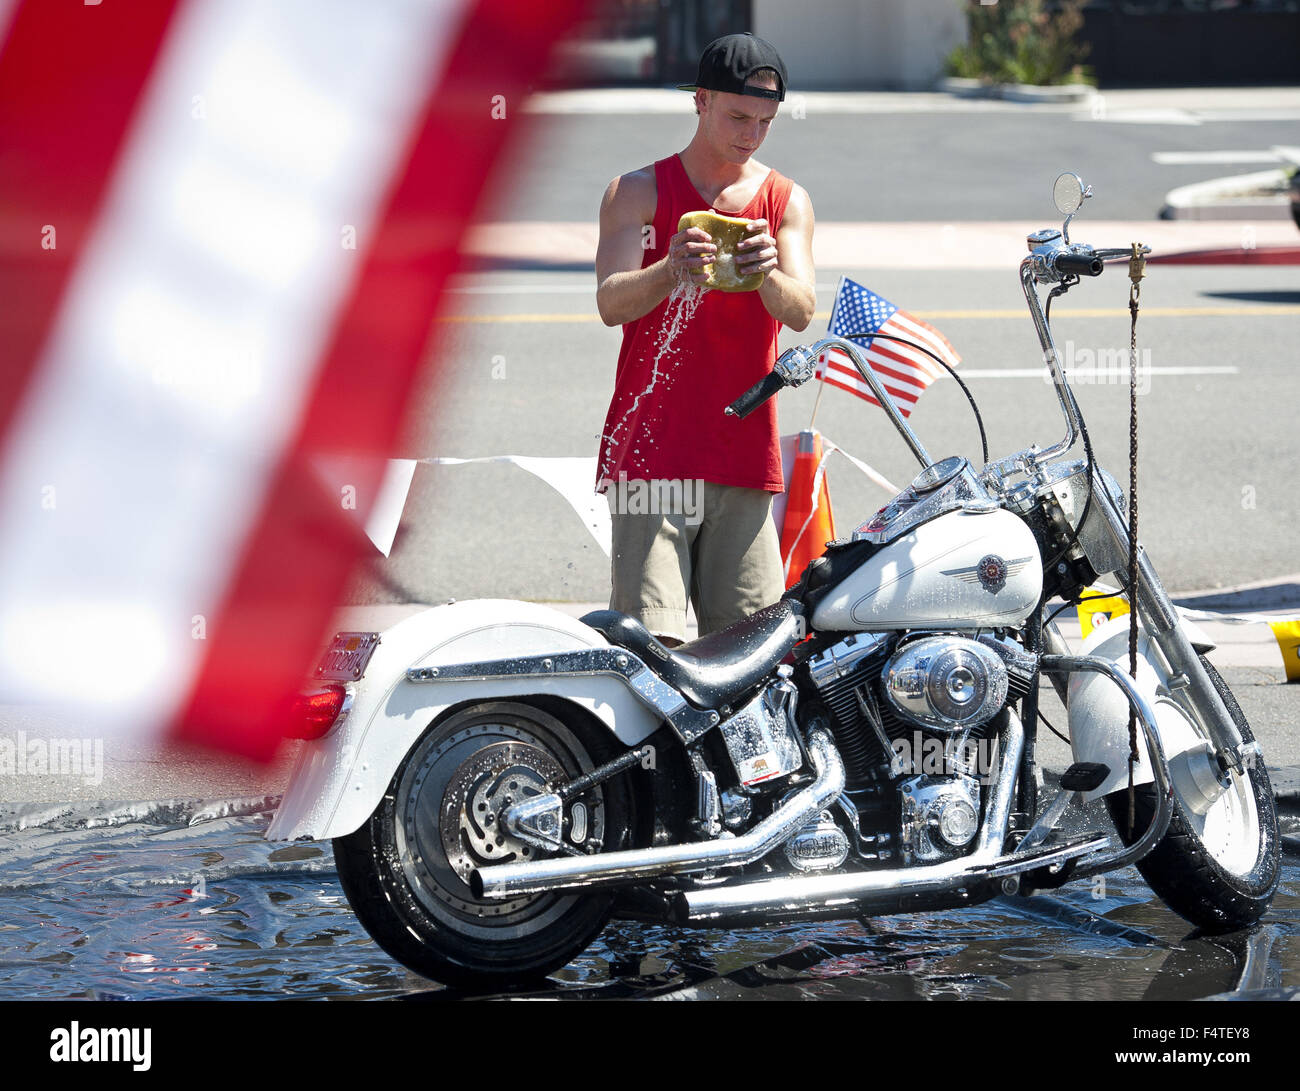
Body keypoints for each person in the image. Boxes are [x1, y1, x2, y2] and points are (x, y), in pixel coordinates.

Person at [594, 32, 816, 646]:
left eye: (765, 121)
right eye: (738, 116)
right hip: (650, 459)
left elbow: (801, 312)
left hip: (744, 458)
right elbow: (610, 303)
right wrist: (670, 268)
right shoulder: (637, 191)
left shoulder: (786, 201)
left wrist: (767, 270)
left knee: (752, 655)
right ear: (700, 101)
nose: (751, 133)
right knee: (649, 653)